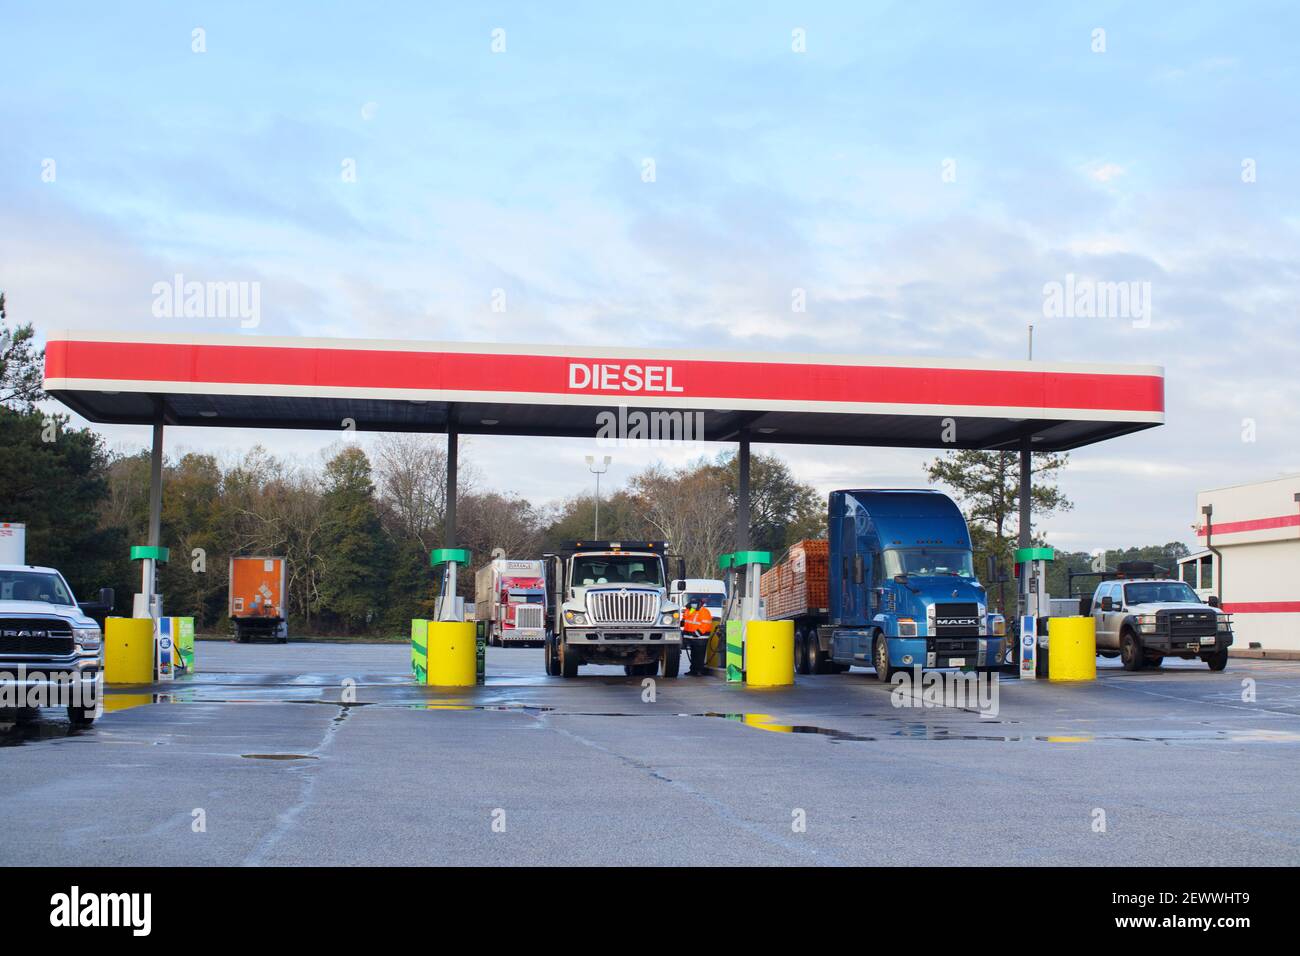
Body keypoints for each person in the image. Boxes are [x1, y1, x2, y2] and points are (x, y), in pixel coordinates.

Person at [681, 598, 714, 674]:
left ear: (699, 603)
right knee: (693, 654)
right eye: (692, 603)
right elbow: (686, 620)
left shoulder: (704, 611)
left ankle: (699, 670)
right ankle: (693, 670)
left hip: (701, 638)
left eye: (695, 603)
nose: (693, 605)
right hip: (692, 637)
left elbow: (706, 624)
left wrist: (697, 633)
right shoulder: (691, 610)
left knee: (699, 655)